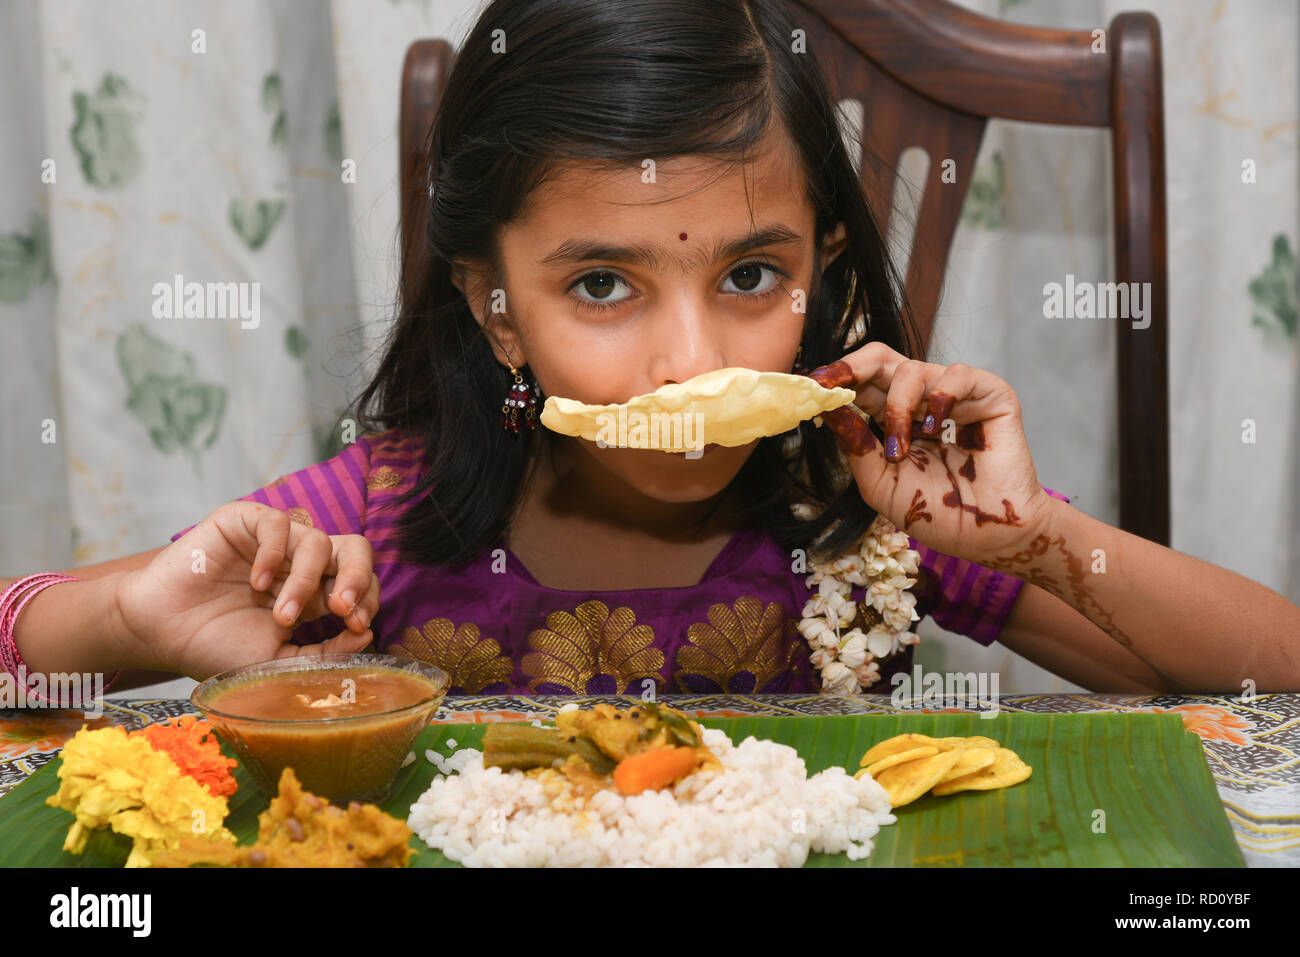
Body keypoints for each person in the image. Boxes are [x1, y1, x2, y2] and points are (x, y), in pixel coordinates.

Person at [5, 0, 1299, 701]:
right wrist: (128, 619)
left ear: (824, 271)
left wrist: (1022, 540)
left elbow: (1266, 676)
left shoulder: (865, 512)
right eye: (605, 283)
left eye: (751, 274)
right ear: (495, 303)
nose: (689, 362)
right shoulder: (386, 519)